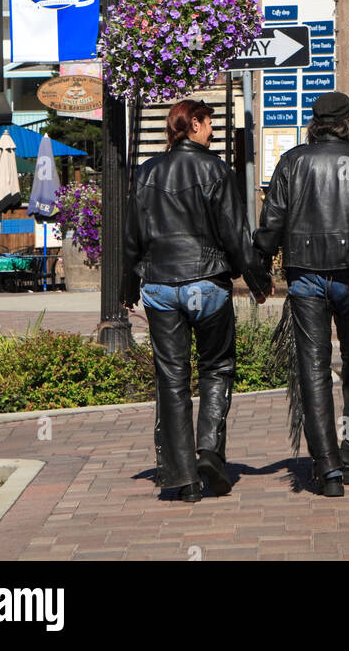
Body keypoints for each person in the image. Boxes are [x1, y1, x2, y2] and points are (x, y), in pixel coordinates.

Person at [123, 98, 271, 502]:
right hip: (206, 282)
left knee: (171, 379)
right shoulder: (216, 170)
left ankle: (180, 477)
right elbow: (235, 235)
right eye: (208, 123)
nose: (213, 131)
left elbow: (131, 235)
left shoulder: (148, 172)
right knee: (216, 367)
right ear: (193, 125)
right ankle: (208, 452)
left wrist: (125, 289)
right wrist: (257, 280)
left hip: (159, 284)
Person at [254, 91, 349, 497]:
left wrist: (261, 270)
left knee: (312, 370)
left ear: (314, 122)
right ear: (348, 120)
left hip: (305, 277)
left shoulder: (292, 162)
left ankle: (327, 466)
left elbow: (272, 223)